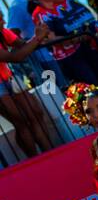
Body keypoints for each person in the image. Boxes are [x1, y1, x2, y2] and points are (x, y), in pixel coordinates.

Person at [0, 22, 57, 157]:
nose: (3, 20)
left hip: (9, 79)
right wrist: (37, 38)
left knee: (35, 113)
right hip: (3, 84)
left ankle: (51, 154)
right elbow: (15, 57)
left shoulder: (3, 31)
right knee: (21, 121)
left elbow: (24, 46)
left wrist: (39, 37)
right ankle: (34, 161)